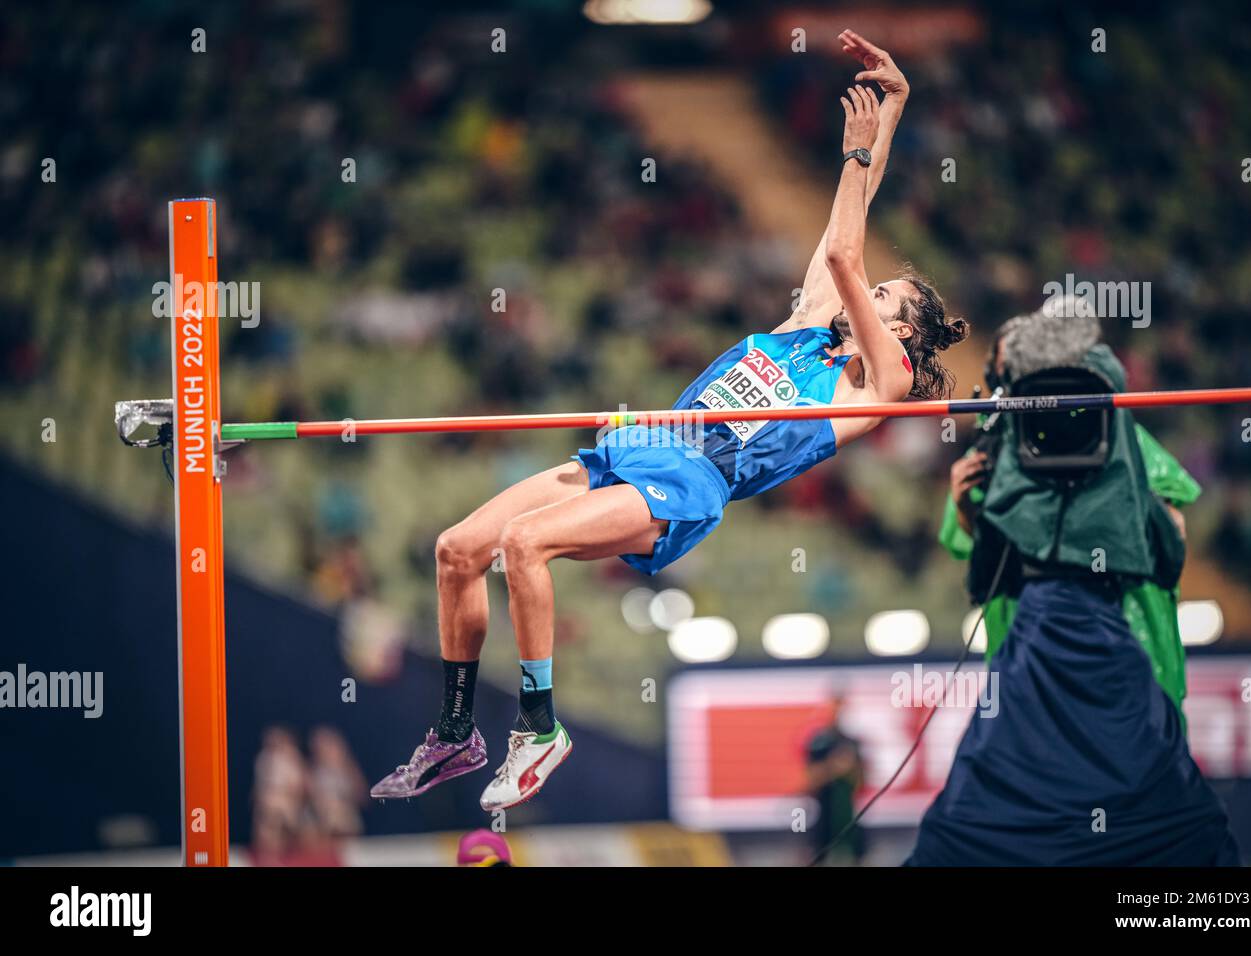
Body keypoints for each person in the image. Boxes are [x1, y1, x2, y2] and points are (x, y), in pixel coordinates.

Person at [370, 31, 970, 811]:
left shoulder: (873, 387)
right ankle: (455, 731)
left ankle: (540, 728)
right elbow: (846, 232)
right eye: (879, 290)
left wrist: (855, 157)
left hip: (691, 482)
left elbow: (848, 257)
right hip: (645, 446)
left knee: (525, 545)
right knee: (459, 550)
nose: (870, 295)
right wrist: (893, 107)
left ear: (907, 337)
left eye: (889, 300)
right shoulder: (808, 325)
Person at [908, 306, 1239, 866]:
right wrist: (971, 507)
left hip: (1125, 634)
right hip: (1037, 635)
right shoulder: (996, 442)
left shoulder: (1118, 428)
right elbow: (976, 556)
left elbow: (1170, 527)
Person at [805, 693, 869, 866]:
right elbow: (810, 780)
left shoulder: (852, 742)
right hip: (824, 816)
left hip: (849, 815)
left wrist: (852, 769)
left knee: (858, 855)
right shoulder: (819, 742)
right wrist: (834, 767)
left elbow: (862, 782)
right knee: (817, 856)